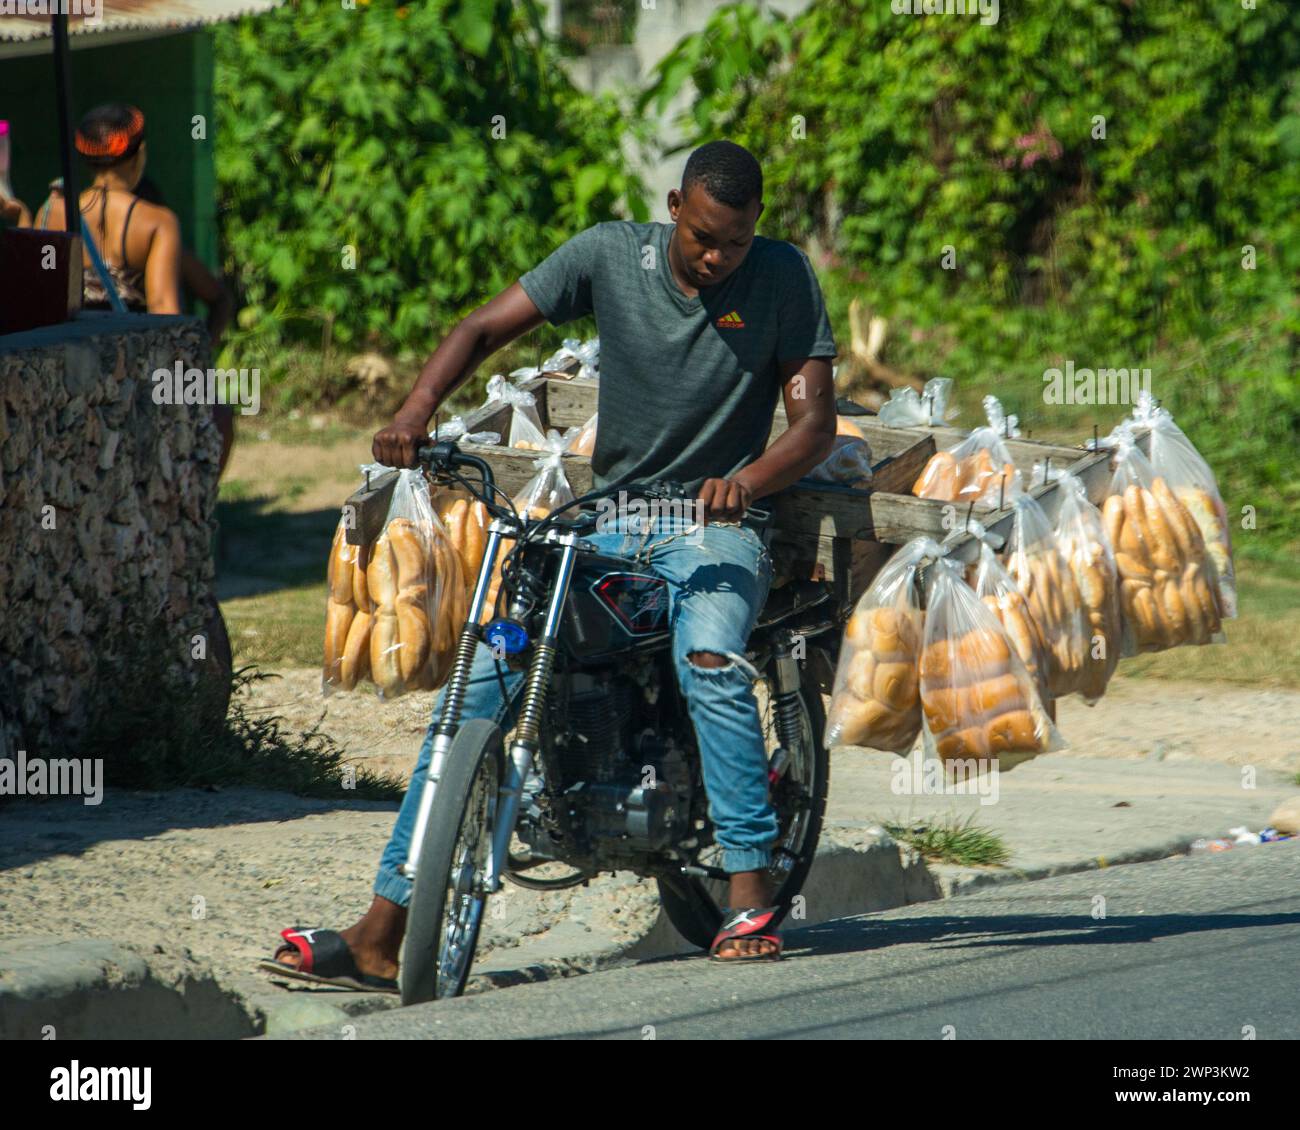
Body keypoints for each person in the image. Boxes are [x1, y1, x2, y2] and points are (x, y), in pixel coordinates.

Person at [263, 140, 837, 987]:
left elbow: (814, 424)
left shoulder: (783, 277)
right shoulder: (610, 253)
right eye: (705, 237)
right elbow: (484, 327)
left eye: (736, 243)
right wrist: (414, 414)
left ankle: (750, 886)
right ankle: (384, 928)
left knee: (710, 658)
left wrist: (742, 483)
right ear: (675, 208)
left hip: (713, 529)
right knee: (481, 677)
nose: (718, 258)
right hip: (602, 520)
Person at [33, 103, 182, 316]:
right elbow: (163, 308)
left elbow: (41, 296)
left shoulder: (50, 213)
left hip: (68, 346)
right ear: (140, 153)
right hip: (128, 348)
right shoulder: (157, 222)